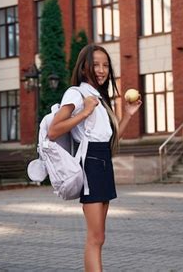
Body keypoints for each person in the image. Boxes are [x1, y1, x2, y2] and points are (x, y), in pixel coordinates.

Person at [47, 44, 142, 271]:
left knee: (100, 237)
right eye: (96, 65)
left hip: (103, 161)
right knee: (95, 236)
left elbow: (110, 138)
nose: (101, 70)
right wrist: (85, 111)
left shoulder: (98, 96)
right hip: (90, 163)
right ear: (83, 67)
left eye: (105, 65)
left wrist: (127, 115)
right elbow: (54, 130)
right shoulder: (76, 93)